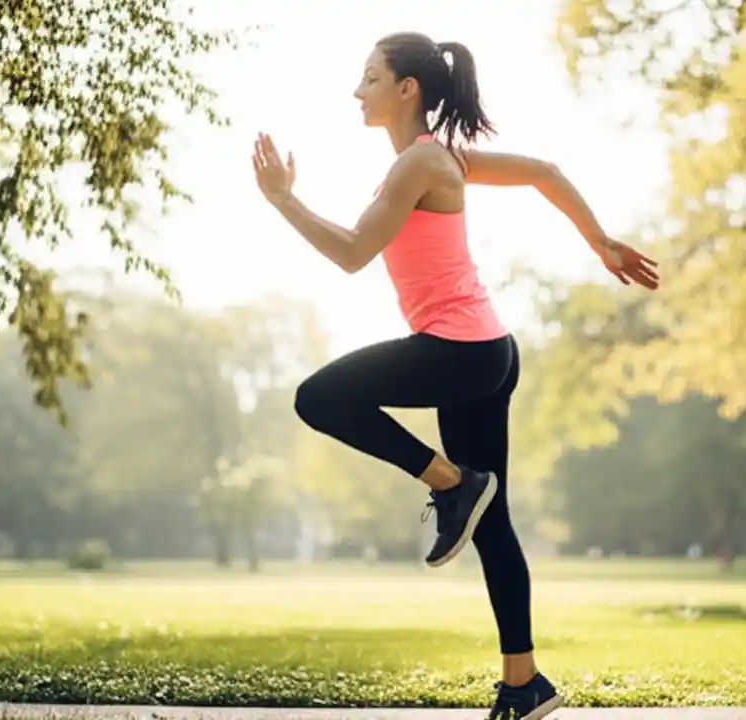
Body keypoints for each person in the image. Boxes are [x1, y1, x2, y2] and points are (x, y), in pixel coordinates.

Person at [251, 30, 659, 720]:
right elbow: (546, 171)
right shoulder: (443, 160)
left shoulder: (421, 164)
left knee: (318, 398)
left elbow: (353, 253)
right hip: (485, 353)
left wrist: (284, 201)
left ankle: (451, 483)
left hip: (459, 354)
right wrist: (599, 242)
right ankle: (523, 683)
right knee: (491, 521)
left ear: (407, 89)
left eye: (370, 78)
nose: (358, 91)